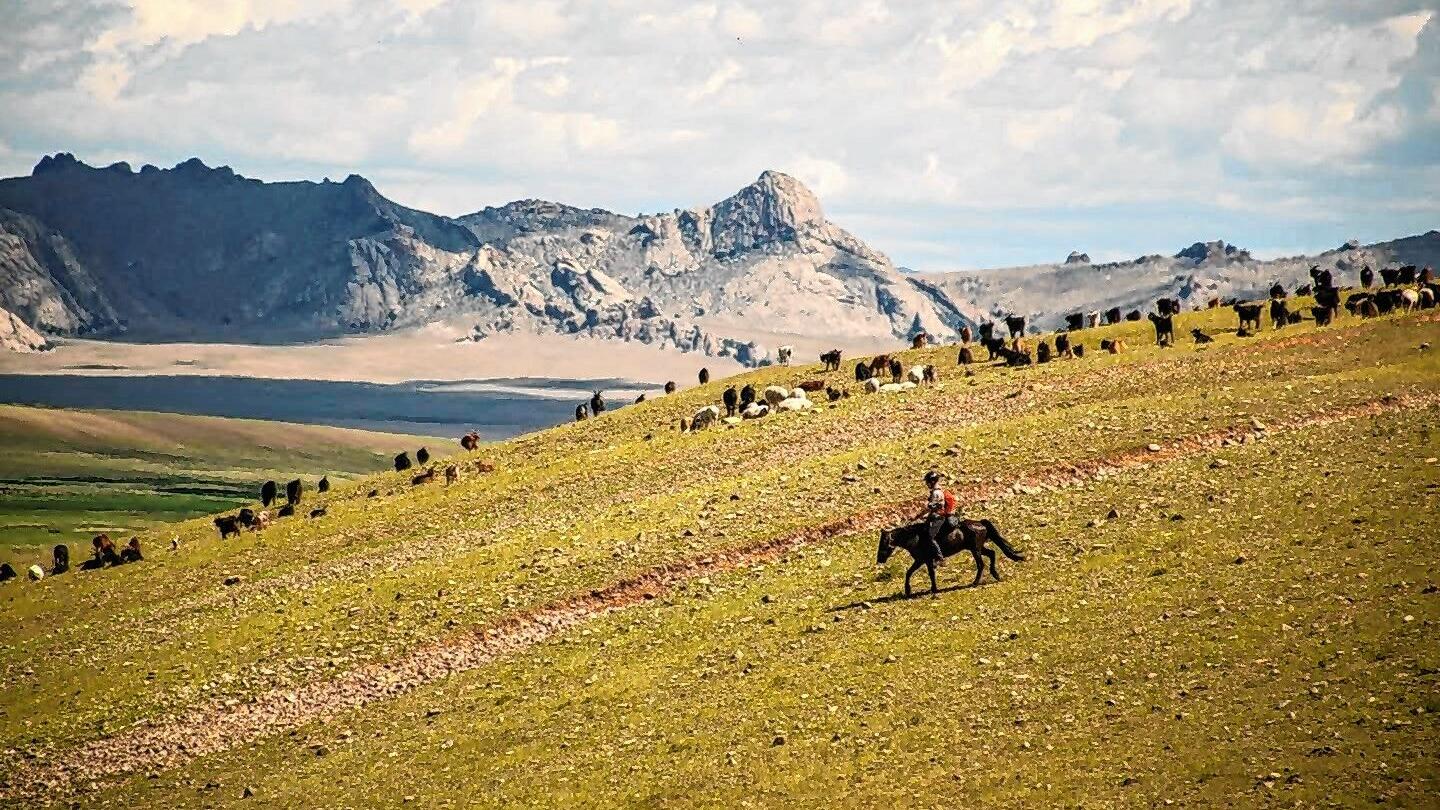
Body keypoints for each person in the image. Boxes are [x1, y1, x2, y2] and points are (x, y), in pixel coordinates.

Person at [917, 471, 958, 565]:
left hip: (938, 518)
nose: (926, 484)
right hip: (935, 516)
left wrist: (922, 514)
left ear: (932, 481)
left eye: (927, 482)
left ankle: (940, 558)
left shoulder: (936, 493)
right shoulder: (936, 492)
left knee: (929, 537)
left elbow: (936, 506)